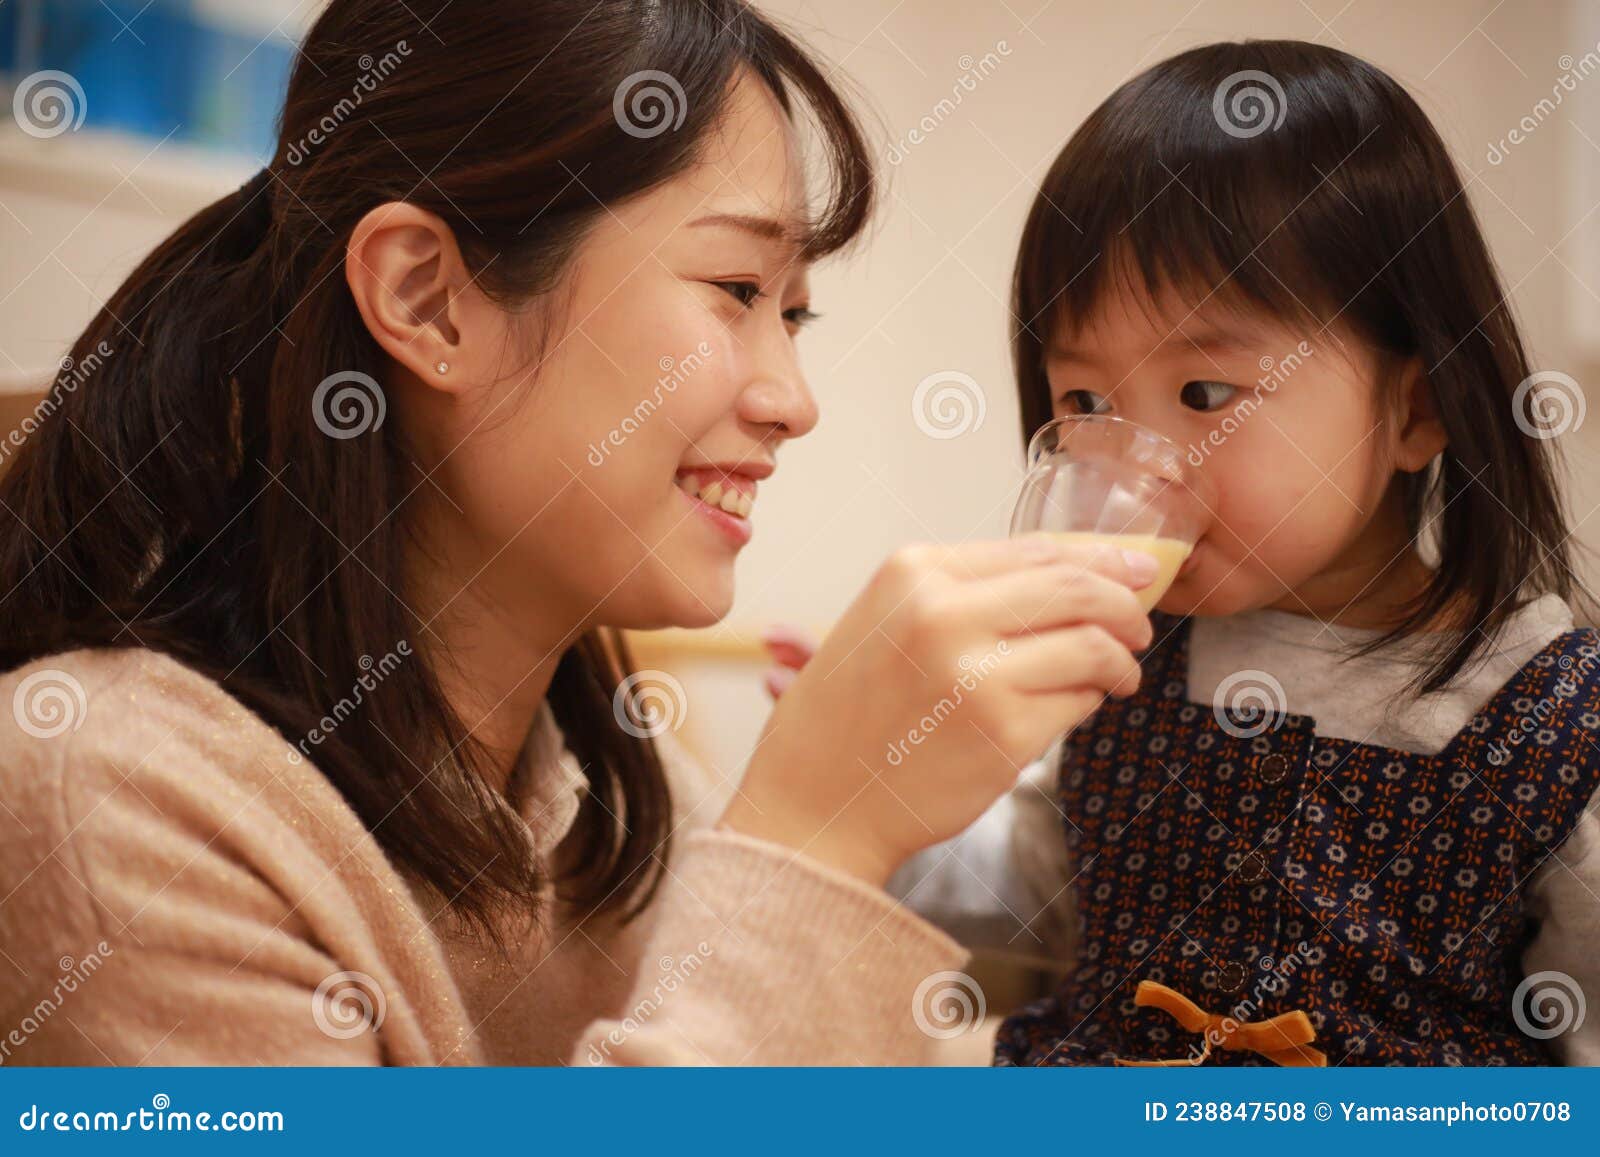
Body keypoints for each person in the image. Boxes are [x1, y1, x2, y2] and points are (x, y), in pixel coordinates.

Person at [0, 0, 1154, 1066]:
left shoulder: (600, 800)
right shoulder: (102, 800)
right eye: (738, 289)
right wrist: (816, 837)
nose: (793, 399)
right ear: (426, 299)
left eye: (794, 313)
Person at [890, 39, 1600, 1067]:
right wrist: (887, 792)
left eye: (1206, 396)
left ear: (1419, 407)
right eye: (1084, 401)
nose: (1144, 466)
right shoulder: (1132, 646)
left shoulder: (1546, 720)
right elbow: (1056, 892)